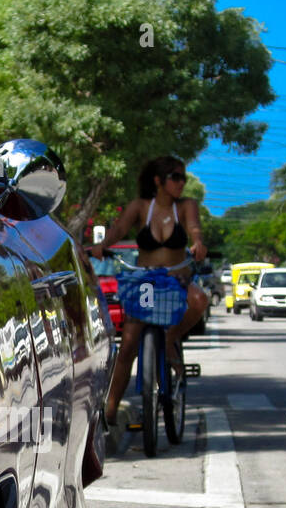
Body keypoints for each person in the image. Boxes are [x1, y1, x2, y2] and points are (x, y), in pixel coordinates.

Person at [89, 156, 208, 428]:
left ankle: (171, 337)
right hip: (145, 281)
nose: (181, 183)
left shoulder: (186, 206)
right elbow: (119, 229)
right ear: (159, 181)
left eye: (183, 178)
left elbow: (194, 229)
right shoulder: (141, 207)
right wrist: (102, 245)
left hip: (175, 279)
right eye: (176, 177)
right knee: (129, 341)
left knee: (199, 299)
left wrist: (198, 242)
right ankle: (109, 410)